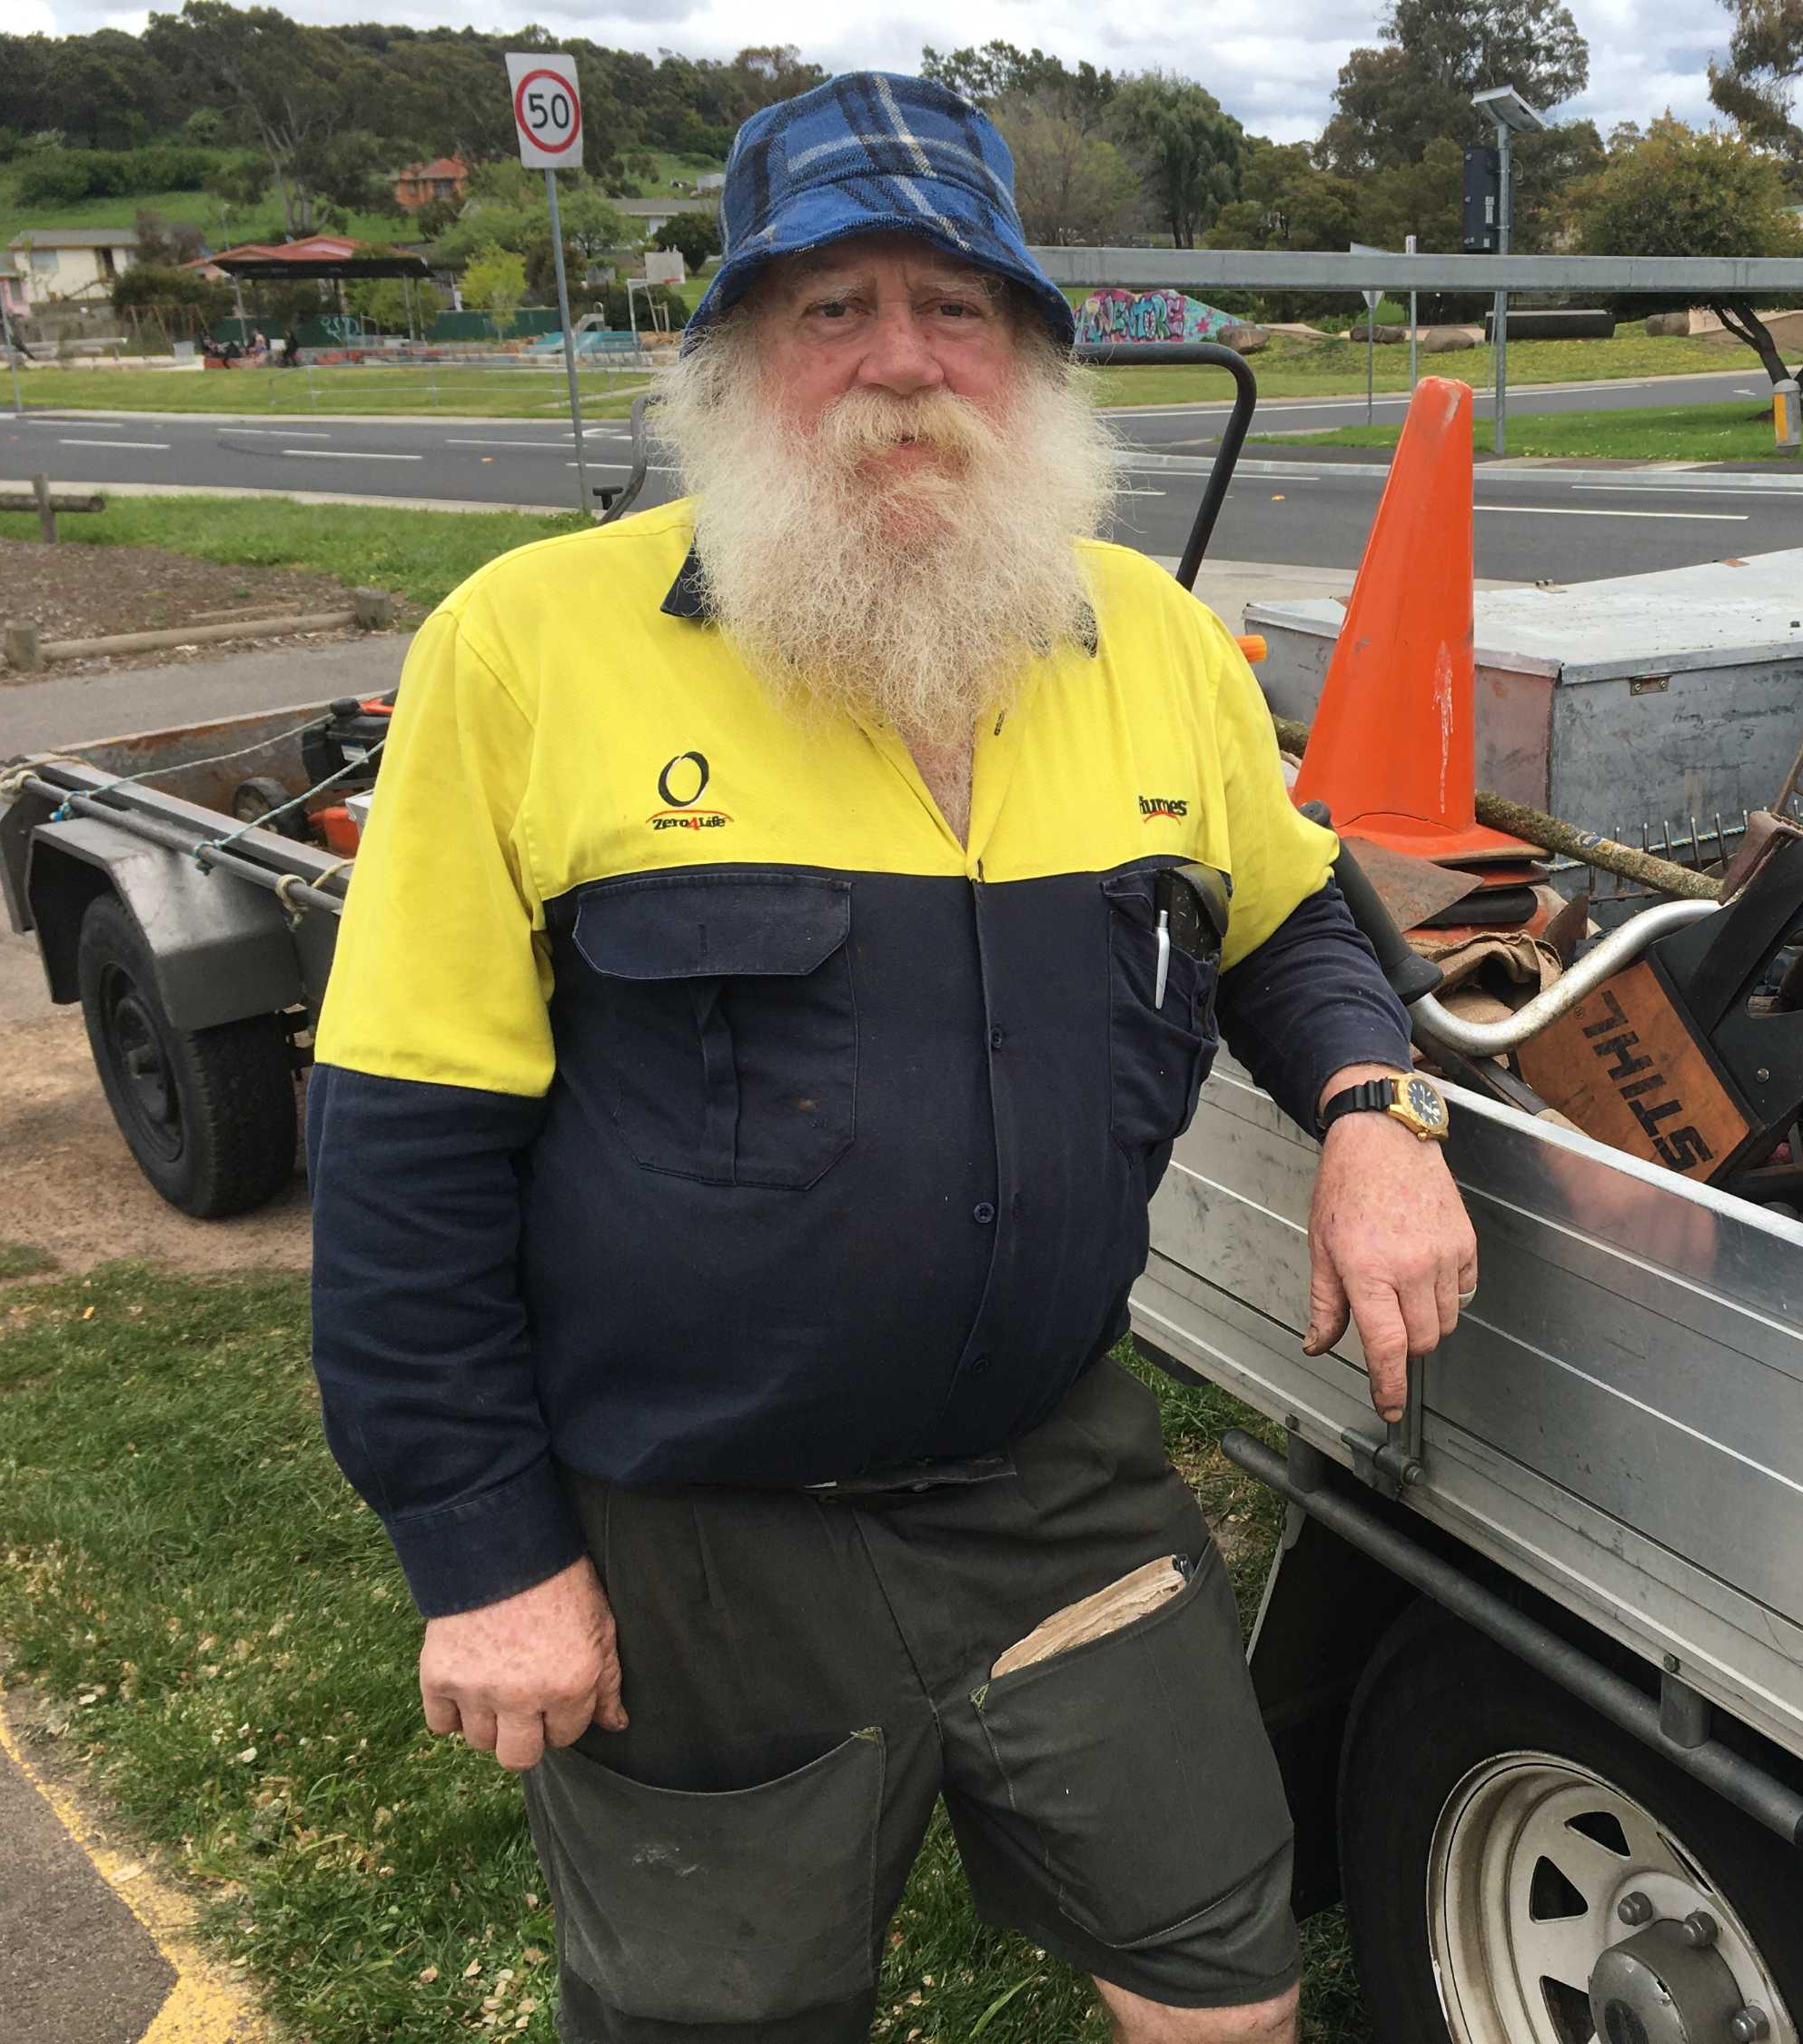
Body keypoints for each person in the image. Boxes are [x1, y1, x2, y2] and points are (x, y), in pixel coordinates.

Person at [307, 72, 1479, 2044]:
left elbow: (1292, 923)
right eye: (828, 311)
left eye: (953, 310)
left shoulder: (1154, 644)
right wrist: (482, 1551)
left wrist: (1377, 1111)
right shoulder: (527, 652)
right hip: (694, 1532)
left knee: (1227, 1981)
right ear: (734, 362)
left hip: (1052, 1485)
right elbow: (405, 1149)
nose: (897, 366)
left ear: (1031, 361)